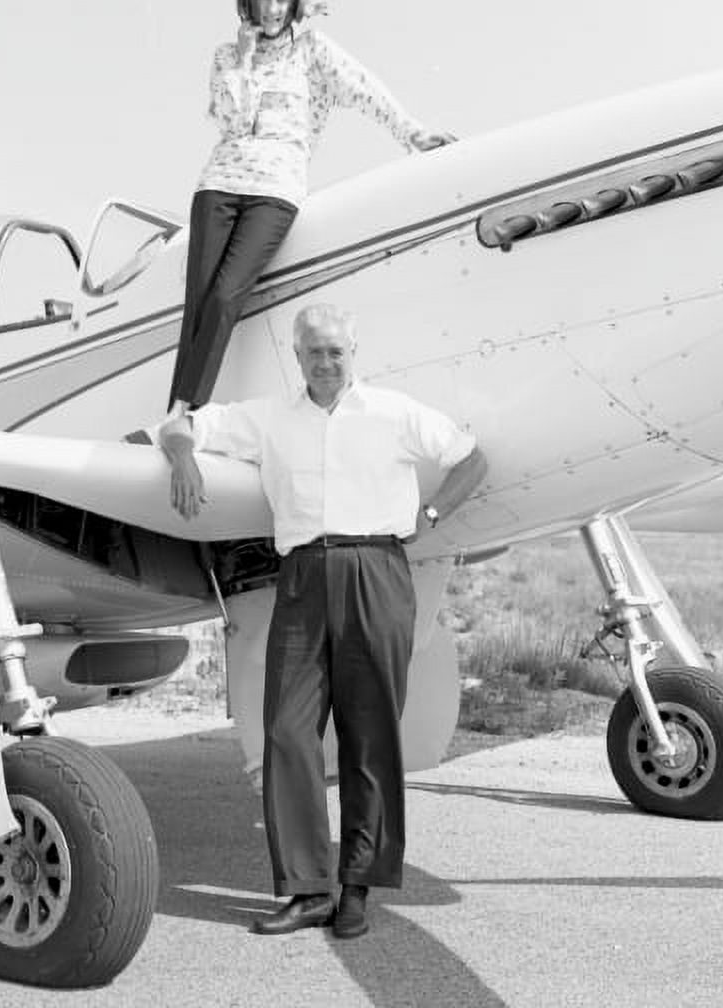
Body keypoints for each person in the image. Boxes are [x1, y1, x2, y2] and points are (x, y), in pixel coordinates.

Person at [158, 303, 486, 939]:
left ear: (353, 351)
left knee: (369, 736)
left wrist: (436, 515)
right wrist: (184, 458)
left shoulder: (395, 412)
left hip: (377, 572)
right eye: (314, 352)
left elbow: (470, 460)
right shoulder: (269, 417)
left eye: (336, 351)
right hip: (303, 576)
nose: (326, 362)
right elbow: (176, 425)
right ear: (297, 355)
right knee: (285, 730)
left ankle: (357, 886)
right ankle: (306, 889)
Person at [167, 0, 456, 414]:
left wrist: (411, 131)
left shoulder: (313, 52)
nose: (272, 9)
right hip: (218, 185)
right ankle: (177, 417)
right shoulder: (226, 55)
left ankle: (190, 411)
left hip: (277, 189)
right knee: (197, 303)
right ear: (247, 3)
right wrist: (244, 59)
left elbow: (365, 89)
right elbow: (232, 120)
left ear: (296, 3)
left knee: (225, 296)